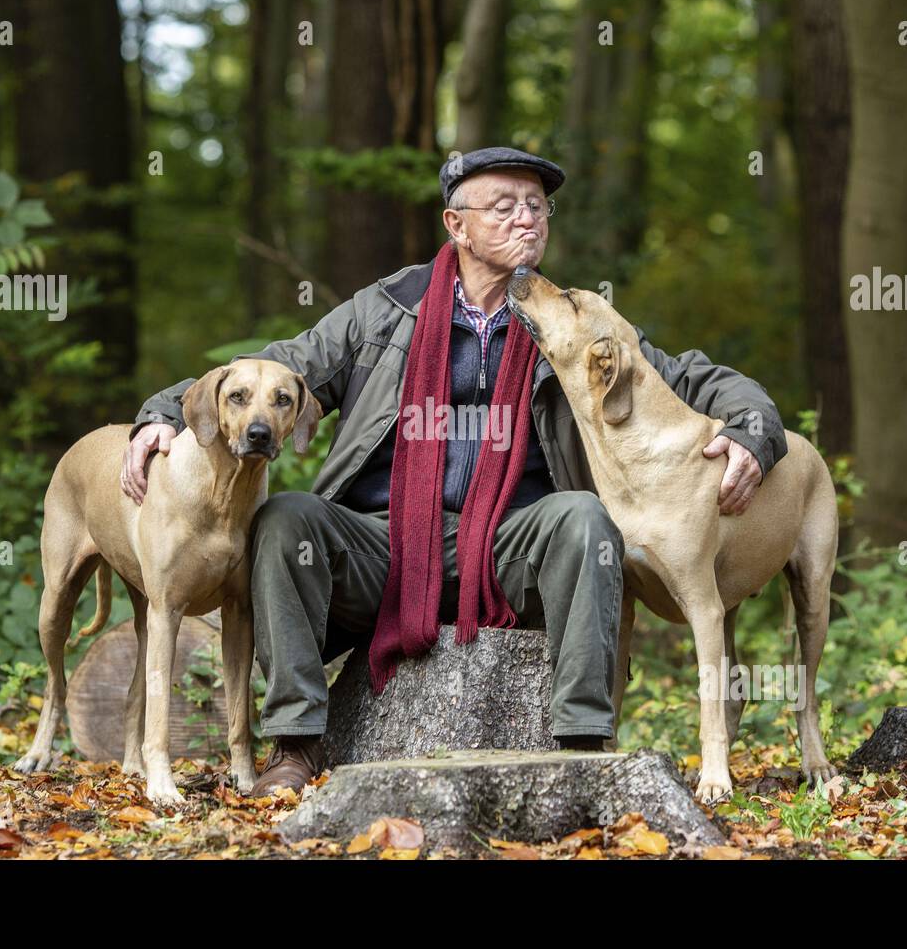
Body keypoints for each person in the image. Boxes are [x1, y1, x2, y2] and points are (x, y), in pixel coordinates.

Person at [120, 147, 788, 795]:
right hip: (383, 545)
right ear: (456, 225)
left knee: (585, 519)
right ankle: (296, 742)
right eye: (504, 207)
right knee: (287, 517)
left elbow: (694, 377)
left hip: (510, 547)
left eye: (538, 207)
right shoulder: (385, 309)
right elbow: (268, 368)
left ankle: (582, 745)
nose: (528, 219)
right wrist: (161, 413)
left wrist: (754, 433)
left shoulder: (566, 322)